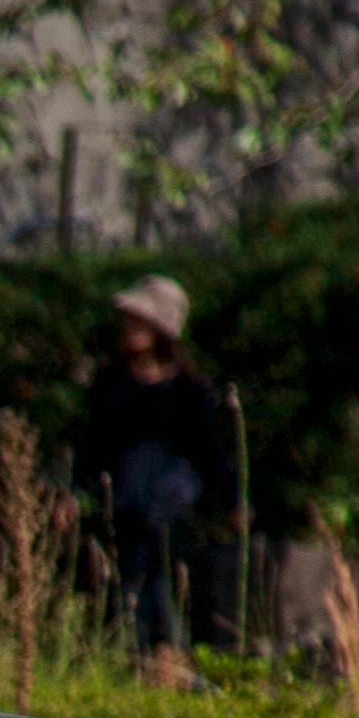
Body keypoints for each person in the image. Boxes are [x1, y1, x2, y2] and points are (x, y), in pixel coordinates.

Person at [76, 274, 225, 679]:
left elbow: (210, 454)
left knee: (166, 597)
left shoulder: (189, 391)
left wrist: (226, 502)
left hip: (171, 514)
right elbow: (92, 448)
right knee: (127, 597)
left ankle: (171, 669)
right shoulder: (112, 385)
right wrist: (76, 494)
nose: (130, 332)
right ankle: (131, 670)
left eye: (139, 324)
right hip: (124, 509)